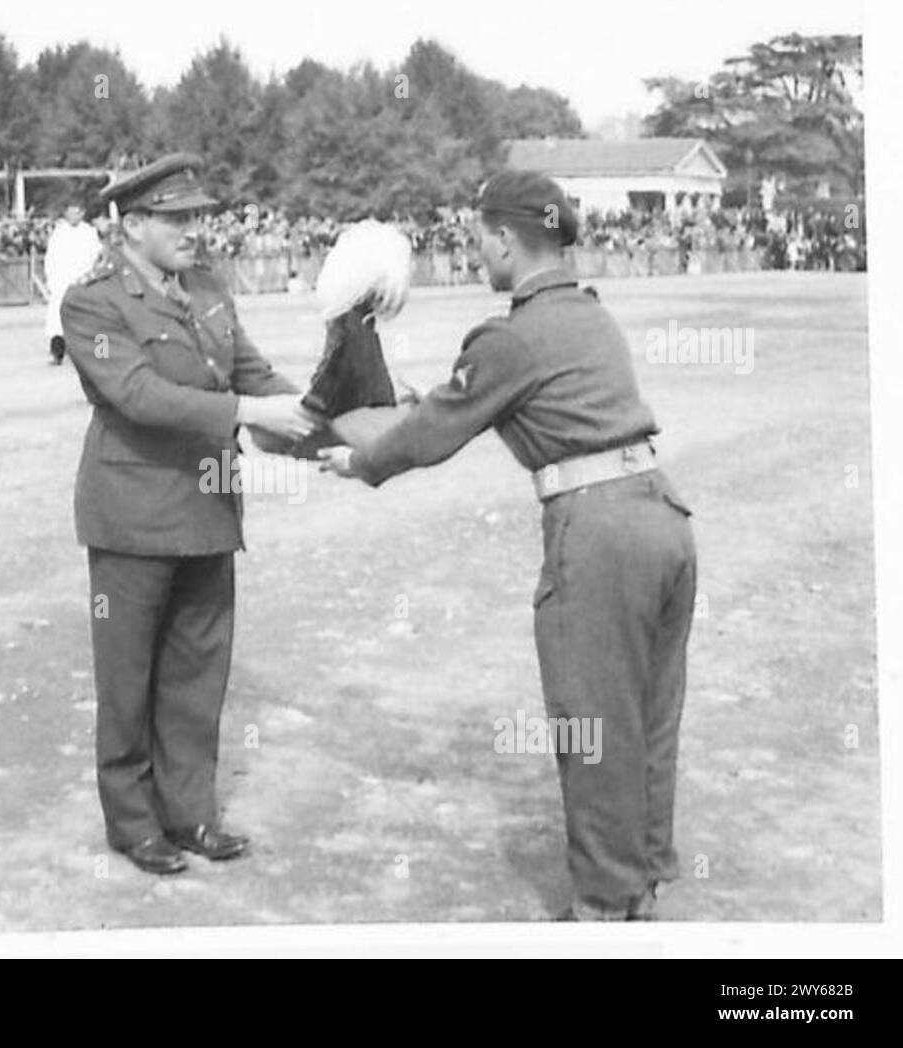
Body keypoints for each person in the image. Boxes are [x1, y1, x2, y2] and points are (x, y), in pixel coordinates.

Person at [319, 171, 697, 921]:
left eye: (479, 238)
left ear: (503, 239)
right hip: (662, 516)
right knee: (648, 715)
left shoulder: (508, 337)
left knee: (590, 723)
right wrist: (429, 402)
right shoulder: (587, 314)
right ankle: (644, 876)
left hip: (600, 534)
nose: (475, 251)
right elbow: (504, 398)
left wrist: (360, 461)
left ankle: (604, 906)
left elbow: (432, 437)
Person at [61, 154, 317, 875]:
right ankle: (133, 822)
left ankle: (191, 813)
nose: (194, 230)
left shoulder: (206, 287)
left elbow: (254, 374)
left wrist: (329, 415)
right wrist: (250, 413)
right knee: (128, 677)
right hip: (133, 515)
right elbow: (139, 396)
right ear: (132, 226)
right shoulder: (92, 303)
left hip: (207, 505)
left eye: (198, 216)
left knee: (197, 675)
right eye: (177, 219)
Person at [43, 202, 102, 365]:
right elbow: (50, 258)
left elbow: (96, 256)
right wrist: (51, 280)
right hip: (62, 282)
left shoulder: (89, 233)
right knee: (57, 320)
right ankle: (57, 353)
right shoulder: (59, 233)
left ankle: (98, 352)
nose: (73, 216)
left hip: (84, 281)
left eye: (76, 212)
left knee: (91, 318)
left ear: (82, 213)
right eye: (70, 212)